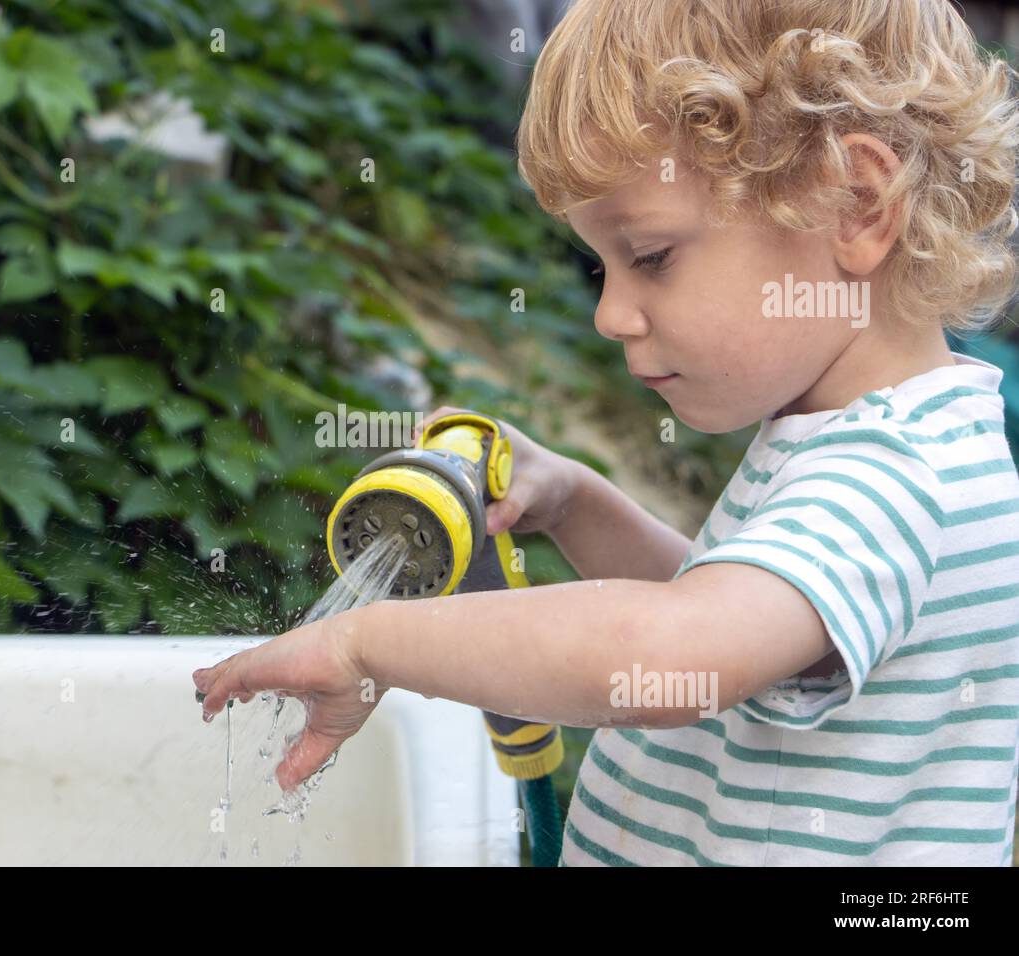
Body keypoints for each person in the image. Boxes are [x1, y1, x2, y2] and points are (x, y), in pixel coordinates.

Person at [194, 0, 1019, 865]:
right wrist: (578, 502)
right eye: (601, 265)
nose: (610, 314)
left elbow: (683, 649)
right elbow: (739, 625)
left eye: (651, 256)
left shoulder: (894, 471)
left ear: (855, 203)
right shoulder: (870, 439)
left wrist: (366, 642)